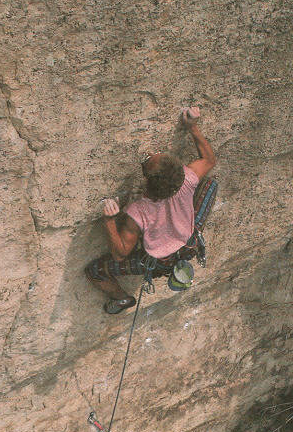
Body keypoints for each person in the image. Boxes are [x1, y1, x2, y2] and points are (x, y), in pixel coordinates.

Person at [86, 106, 217, 313]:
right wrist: (192, 126)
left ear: (147, 181)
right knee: (211, 184)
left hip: (158, 261)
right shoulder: (187, 180)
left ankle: (121, 298)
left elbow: (120, 254)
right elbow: (209, 160)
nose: (150, 154)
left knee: (94, 271)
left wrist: (109, 221)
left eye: (150, 159)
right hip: (188, 244)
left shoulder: (137, 212)